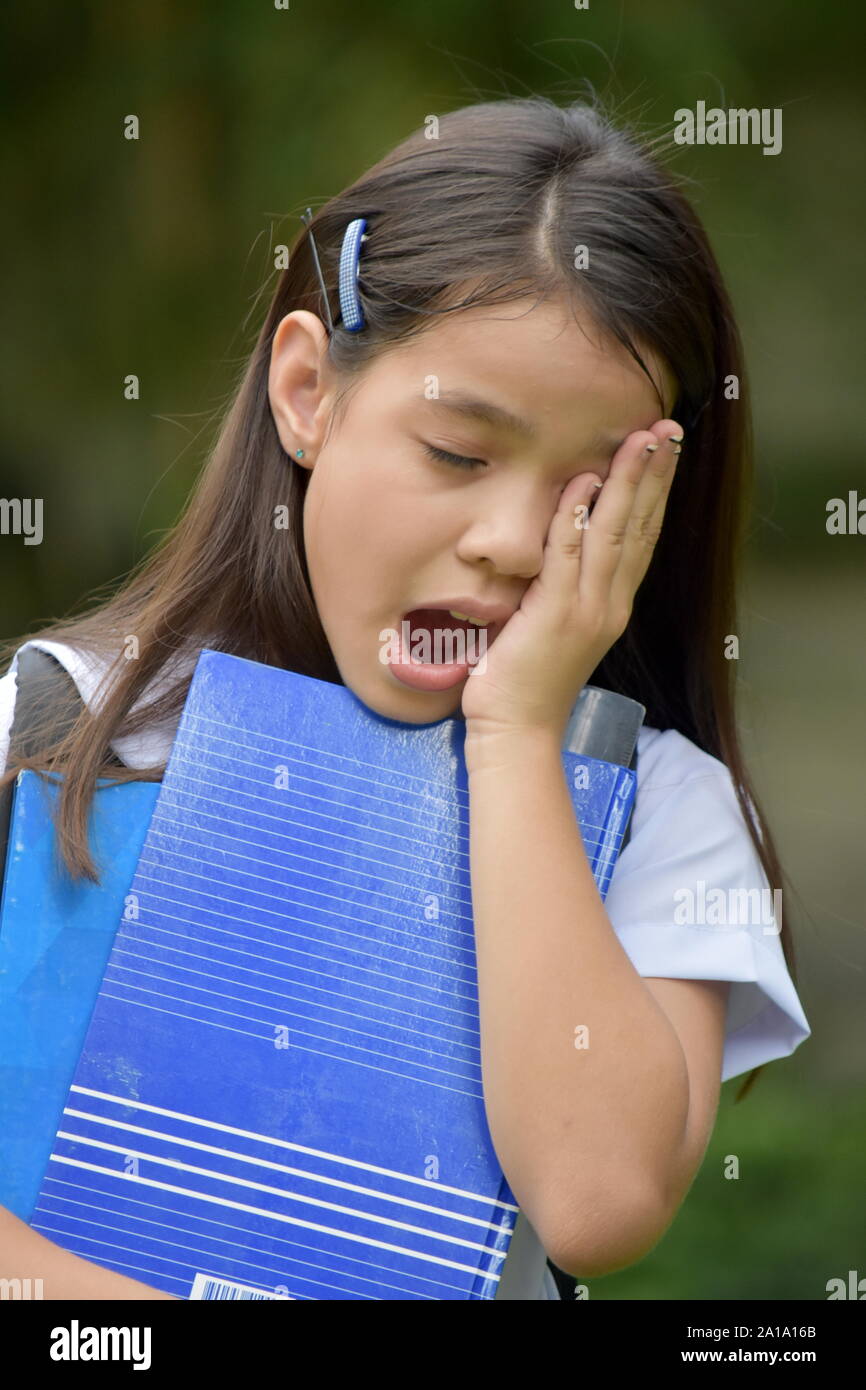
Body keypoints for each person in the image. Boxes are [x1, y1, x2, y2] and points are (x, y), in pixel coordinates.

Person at [0, 93, 810, 1301]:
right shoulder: (61, 723)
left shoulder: (660, 812)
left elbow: (596, 1203)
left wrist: (521, 738)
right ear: (307, 391)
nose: (509, 541)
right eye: (457, 453)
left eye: (585, 494)